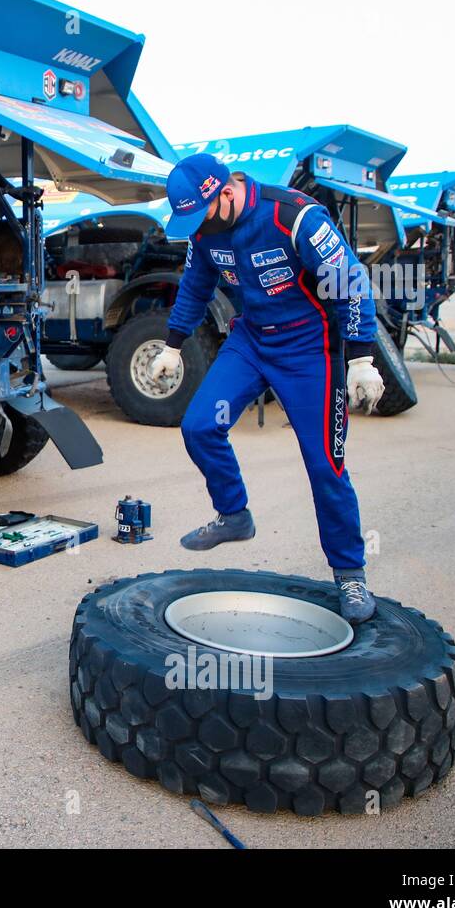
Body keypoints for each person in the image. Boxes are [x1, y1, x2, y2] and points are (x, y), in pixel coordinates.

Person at [151, 153, 385, 623]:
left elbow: (348, 281)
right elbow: (195, 286)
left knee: (325, 466)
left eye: (201, 217)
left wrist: (361, 357)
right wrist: (172, 345)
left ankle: (350, 574)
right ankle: (234, 515)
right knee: (199, 425)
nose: (198, 228)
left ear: (227, 192)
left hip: (310, 349)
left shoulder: (294, 216)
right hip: (251, 341)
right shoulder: (204, 231)